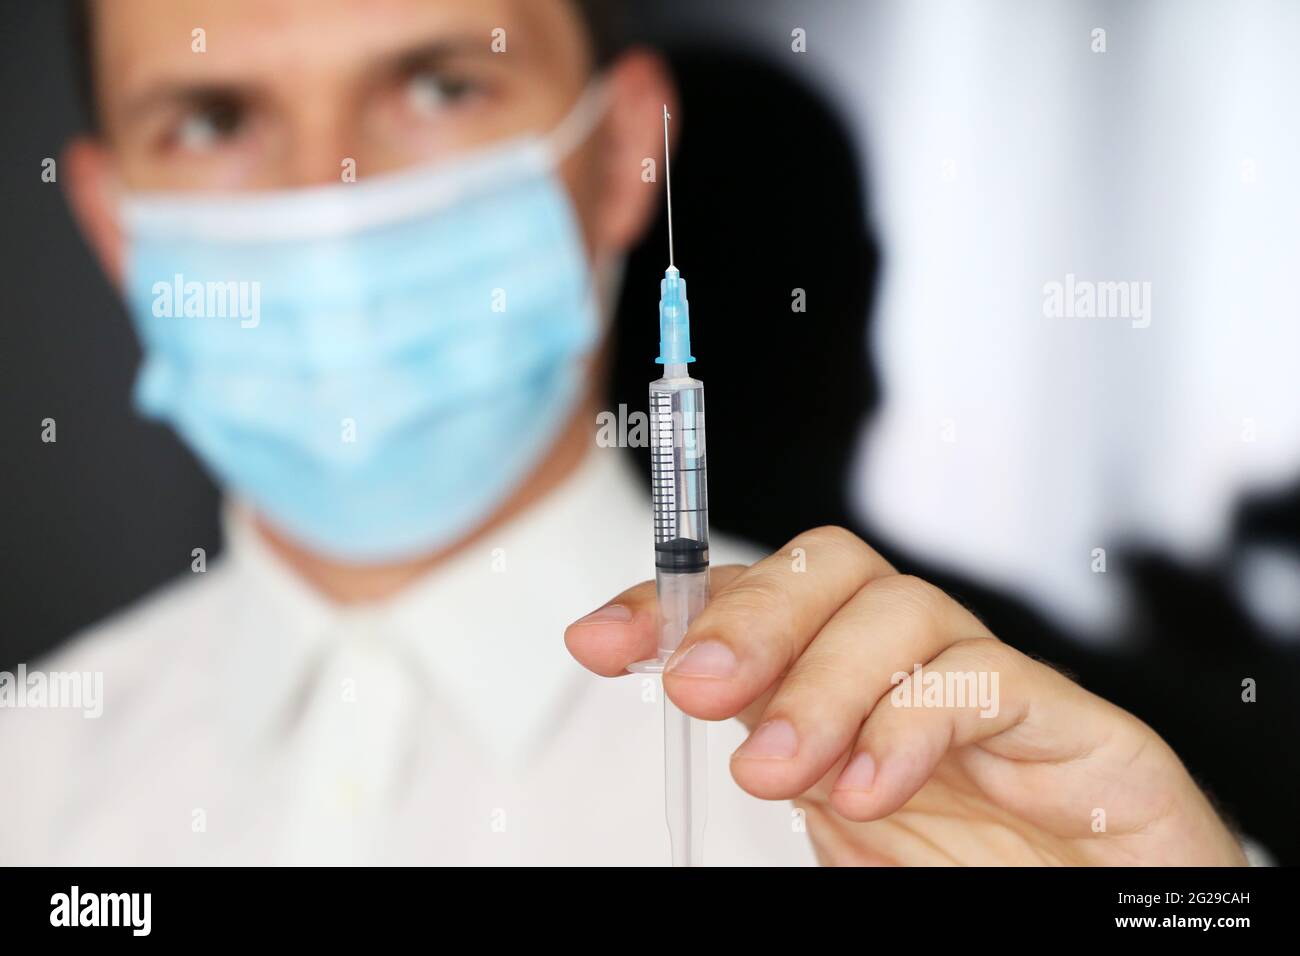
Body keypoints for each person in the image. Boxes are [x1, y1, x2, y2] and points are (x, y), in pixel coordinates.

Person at [0, 0, 1247, 866]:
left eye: (440, 84)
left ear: (615, 158)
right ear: (115, 224)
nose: (335, 200)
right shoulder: (28, 771)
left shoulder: (953, 789)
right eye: (214, 120)